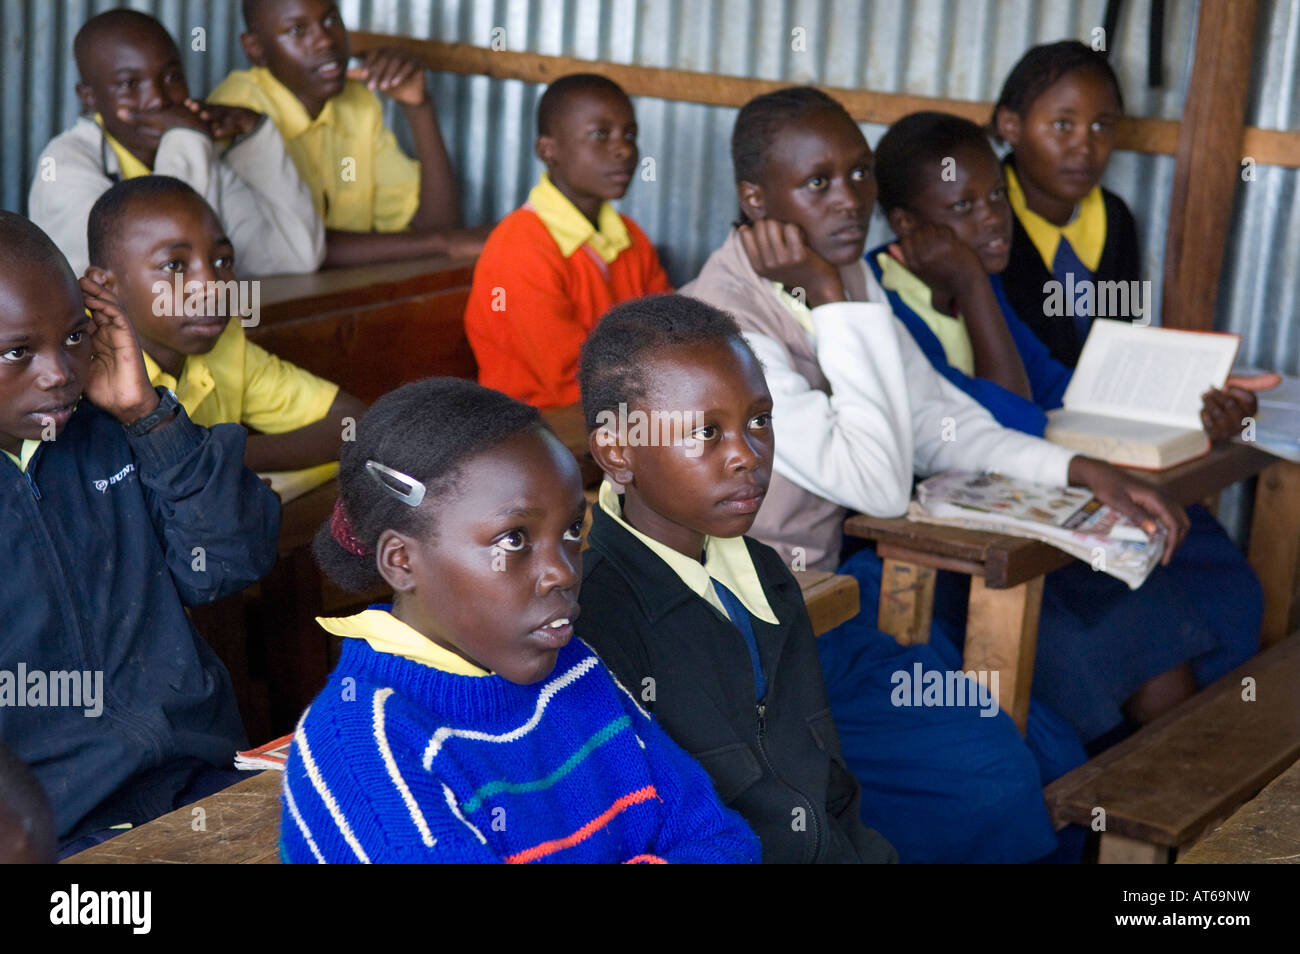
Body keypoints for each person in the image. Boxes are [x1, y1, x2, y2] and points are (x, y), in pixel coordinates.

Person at [574, 294, 1088, 863]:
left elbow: (827, 785)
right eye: (705, 434)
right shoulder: (597, 622)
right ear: (618, 451)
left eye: (759, 421)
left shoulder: (767, 578)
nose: (747, 454)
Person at [868, 111, 1267, 718]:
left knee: (1215, 579)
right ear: (906, 225)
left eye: (997, 195)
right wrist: (974, 288)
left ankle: (1185, 777)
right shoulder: (887, 303)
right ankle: (1123, 792)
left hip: (1033, 508)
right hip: (950, 542)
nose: (993, 217)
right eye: (964, 207)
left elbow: (1058, 393)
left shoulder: (976, 274)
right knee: (1131, 627)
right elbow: (1016, 423)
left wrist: (1195, 409)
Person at [280, 376, 760, 863]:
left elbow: (725, 843)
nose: (563, 571)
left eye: (572, 530)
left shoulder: (575, 670)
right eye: (513, 539)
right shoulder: (363, 748)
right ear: (403, 562)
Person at [0, 212, 280, 855]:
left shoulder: (112, 435)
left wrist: (148, 415)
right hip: (53, 829)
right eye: (19, 351)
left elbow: (228, 561)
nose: (58, 372)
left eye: (75, 336)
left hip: (194, 783)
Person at [84, 175, 366, 488]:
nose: (213, 286)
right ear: (104, 286)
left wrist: (216, 457)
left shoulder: (224, 343)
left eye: (222, 260)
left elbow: (351, 422)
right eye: (174, 266)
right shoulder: (81, 370)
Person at [28, 7, 323, 278]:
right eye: (129, 84)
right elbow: (159, 282)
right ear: (89, 98)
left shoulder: (201, 156)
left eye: (171, 77)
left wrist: (256, 136)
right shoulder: (65, 167)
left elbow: (296, 255)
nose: (158, 98)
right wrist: (184, 137)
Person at [211, 0, 487, 266]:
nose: (326, 41)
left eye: (331, 20)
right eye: (298, 30)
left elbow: (438, 224)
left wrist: (419, 107)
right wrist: (443, 243)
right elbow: (293, 248)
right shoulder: (239, 113)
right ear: (255, 48)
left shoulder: (358, 104)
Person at [463, 73, 673, 409]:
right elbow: (570, 379)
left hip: (623, 414)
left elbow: (669, 333)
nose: (623, 149)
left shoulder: (630, 236)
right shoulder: (522, 248)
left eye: (629, 134)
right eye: (600, 135)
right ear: (548, 150)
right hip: (539, 435)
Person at [990, 40, 1136, 368]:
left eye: (1101, 126)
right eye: (1062, 125)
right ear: (1011, 126)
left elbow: (1123, 335)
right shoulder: (985, 218)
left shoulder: (1115, 219)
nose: (1085, 148)